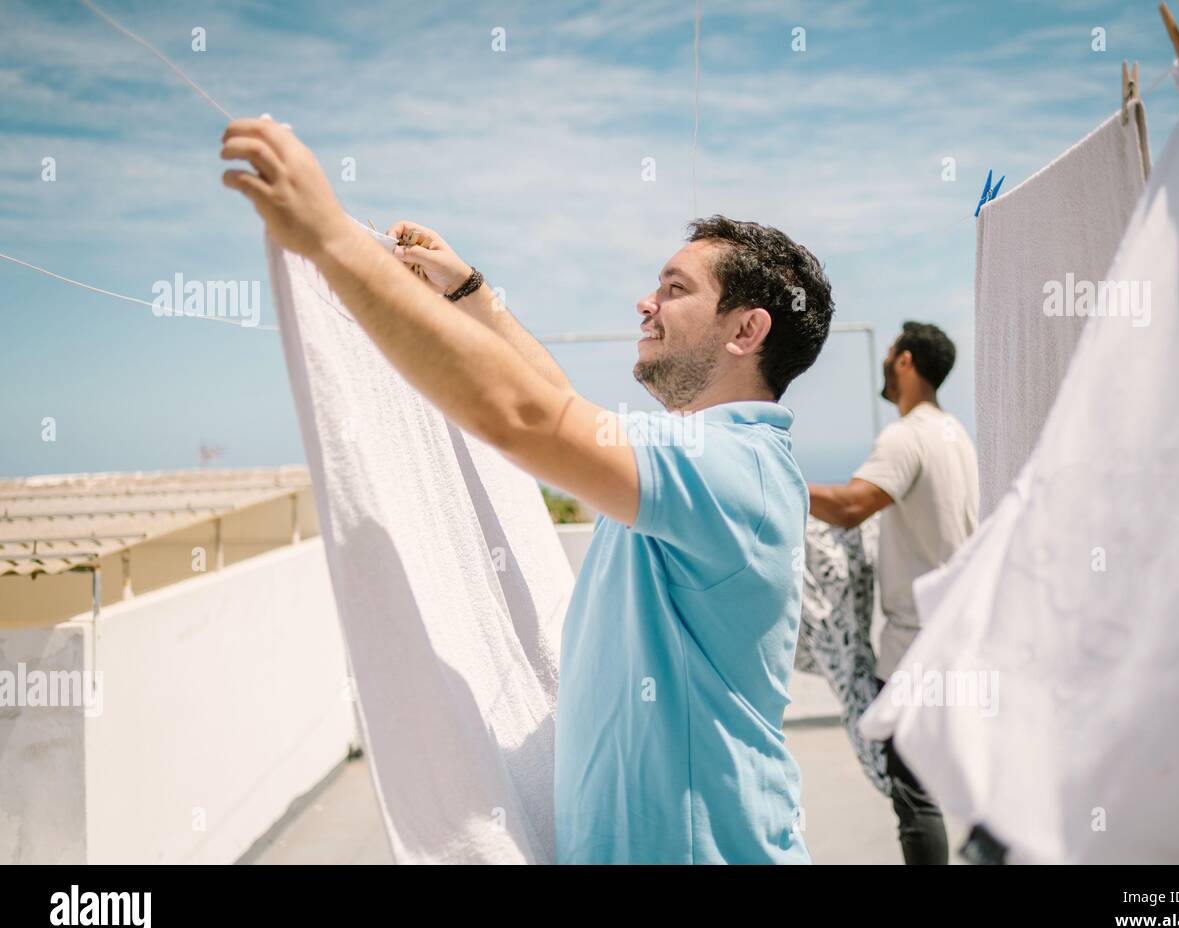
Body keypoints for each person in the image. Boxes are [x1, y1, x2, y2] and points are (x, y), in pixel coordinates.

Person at [220, 117, 834, 864]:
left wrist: (332, 243)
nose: (645, 302)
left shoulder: (732, 467)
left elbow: (527, 417)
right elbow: (554, 399)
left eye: (674, 289)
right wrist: (473, 293)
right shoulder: (698, 456)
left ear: (747, 329)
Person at [808, 321, 977, 864]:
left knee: (914, 796)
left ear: (905, 362)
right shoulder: (956, 434)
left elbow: (852, 506)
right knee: (959, 788)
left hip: (916, 649)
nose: (885, 365)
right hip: (962, 635)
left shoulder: (905, 436)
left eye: (888, 356)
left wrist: (770, 476)